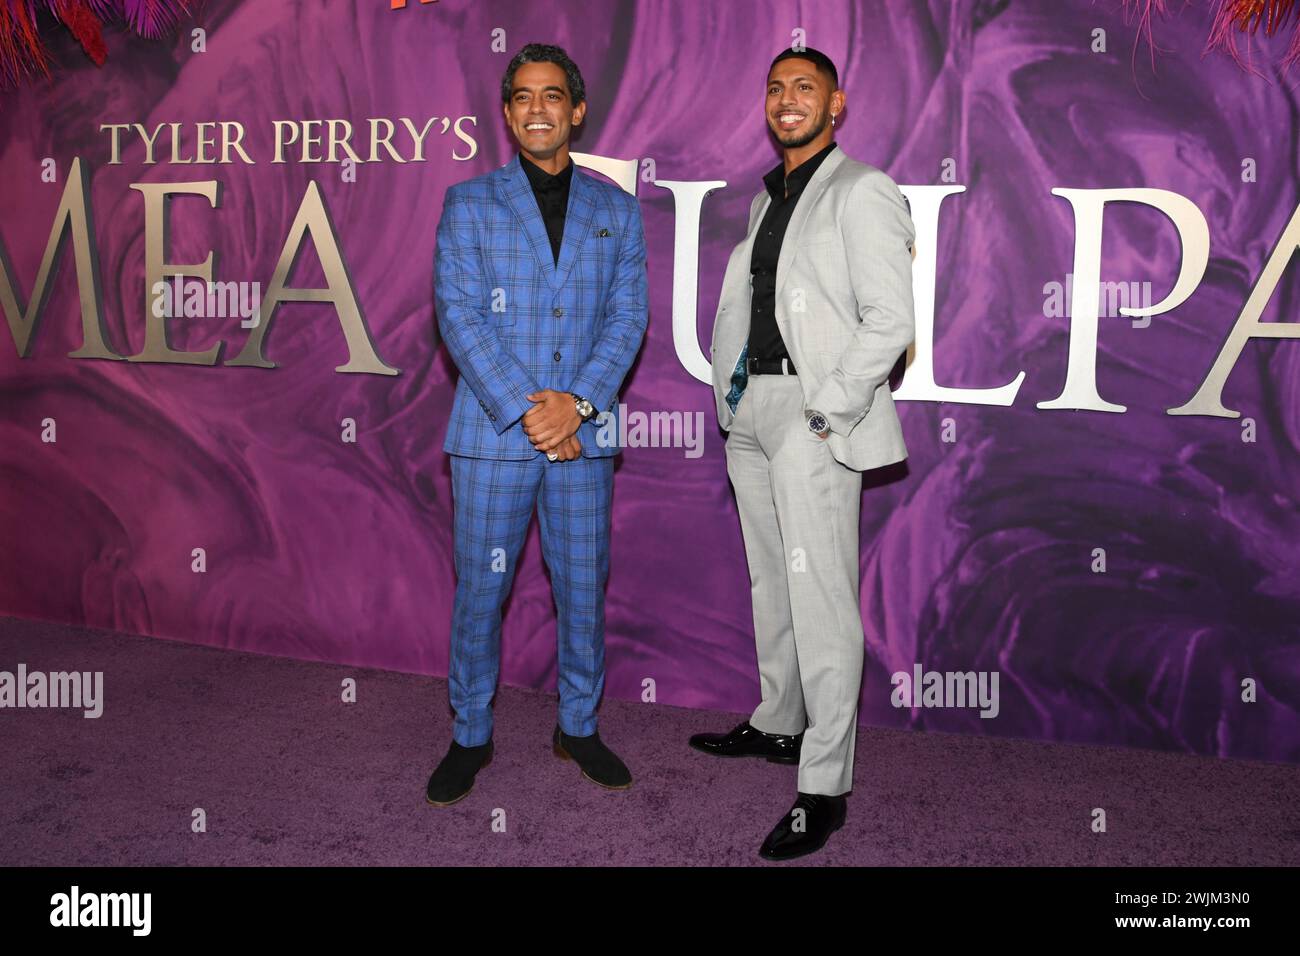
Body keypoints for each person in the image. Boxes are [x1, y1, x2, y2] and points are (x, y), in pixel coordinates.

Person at [692, 46, 917, 860]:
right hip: (753, 407)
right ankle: (780, 723)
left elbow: (890, 321)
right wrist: (732, 394)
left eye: (806, 88)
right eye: (778, 88)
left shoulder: (862, 191)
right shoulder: (769, 199)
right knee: (769, 578)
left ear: (837, 103)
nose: (789, 100)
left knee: (820, 598)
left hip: (814, 413)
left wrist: (827, 412)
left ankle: (823, 786)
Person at [427, 43, 648, 806]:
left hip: (581, 436)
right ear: (508, 111)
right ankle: (469, 735)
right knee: (480, 596)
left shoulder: (616, 210)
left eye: (552, 96)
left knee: (582, 589)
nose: (537, 109)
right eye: (522, 97)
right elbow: (458, 317)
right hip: (493, 435)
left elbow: (628, 318)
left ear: (576, 110)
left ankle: (578, 727)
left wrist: (577, 406)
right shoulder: (468, 203)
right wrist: (533, 409)